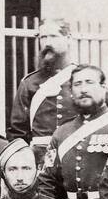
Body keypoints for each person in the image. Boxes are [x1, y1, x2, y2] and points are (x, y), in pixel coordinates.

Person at [36, 63, 108, 199]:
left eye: (89, 82)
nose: (83, 89)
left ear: (103, 87)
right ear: (71, 91)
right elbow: (47, 180)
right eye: (77, 84)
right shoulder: (62, 132)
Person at [8, 17, 78, 154]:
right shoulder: (29, 83)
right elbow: (17, 132)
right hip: (41, 159)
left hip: (76, 155)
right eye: (43, 37)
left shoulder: (84, 78)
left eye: (53, 36)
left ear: (68, 38)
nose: (47, 43)